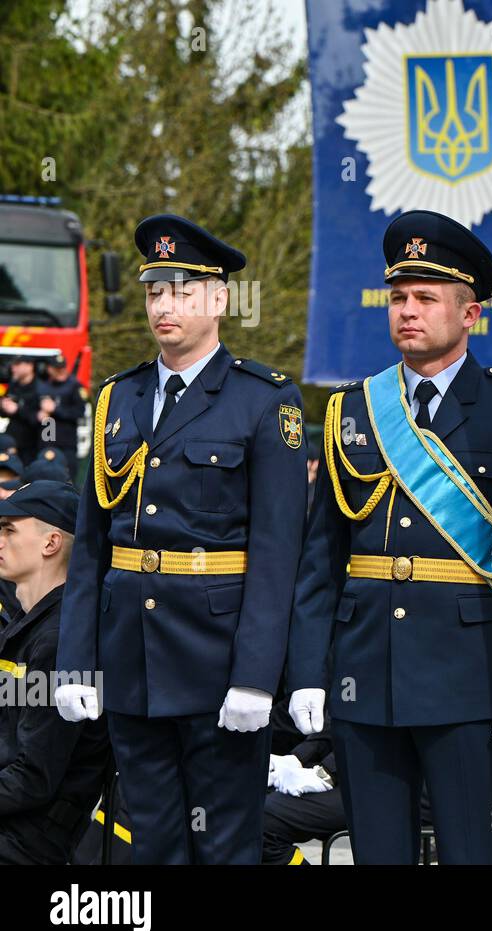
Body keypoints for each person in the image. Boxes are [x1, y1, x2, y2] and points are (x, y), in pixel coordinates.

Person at [286, 210, 492, 865]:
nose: (407, 311)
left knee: (474, 854)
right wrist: (309, 674)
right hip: (363, 674)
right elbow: (322, 556)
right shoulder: (351, 409)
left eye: (427, 298)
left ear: (469, 314)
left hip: (471, 679)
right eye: (399, 296)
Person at [53, 214, 308, 864]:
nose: (164, 306)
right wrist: (77, 661)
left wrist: (257, 677)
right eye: (154, 291)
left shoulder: (262, 400)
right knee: (154, 847)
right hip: (133, 661)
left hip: (218, 665)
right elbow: (90, 548)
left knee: (225, 847)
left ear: (219, 300)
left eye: (183, 291)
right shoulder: (118, 397)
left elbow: (279, 556)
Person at [0, 480, 110, 863]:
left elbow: (34, 778)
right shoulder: (30, 623)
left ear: (51, 544)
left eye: (9, 529)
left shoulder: (60, 640)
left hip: (26, 839)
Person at [36, 354, 87, 474]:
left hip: (66, 444)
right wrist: (38, 414)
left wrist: (56, 408)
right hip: (46, 441)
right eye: (56, 368)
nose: (61, 371)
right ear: (49, 369)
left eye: (62, 368)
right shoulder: (43, 386)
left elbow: (80, 412)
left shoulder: (74, 386)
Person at [0, 357, 42, 463]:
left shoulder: (41, 388)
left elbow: (41, 418)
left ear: (29, 366)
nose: (13, 368)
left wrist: (18, 410)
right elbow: (5, 412)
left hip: (31, 445)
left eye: (17, 364)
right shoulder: (13, 385)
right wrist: (4, 406)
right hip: (12, 442)